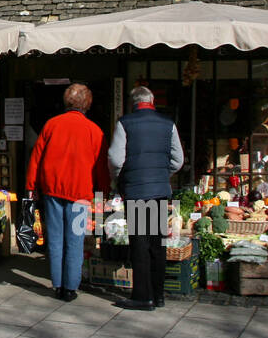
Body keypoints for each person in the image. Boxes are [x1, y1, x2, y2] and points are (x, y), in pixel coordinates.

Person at [26, 82, 105, 302]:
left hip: (52, 189)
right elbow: (100, 165)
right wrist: (103, 190)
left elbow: (36, 158)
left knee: (55, 237)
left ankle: (57, 283)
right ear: (87, 104)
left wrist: (32, 186)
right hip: (80, 193)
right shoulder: (94, 131)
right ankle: (70, 287)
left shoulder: (51, 125)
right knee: (75, 239)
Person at [108, 86, 184, 311]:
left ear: (133, 102)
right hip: (160, 190)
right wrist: (163, 173)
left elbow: (115, 158)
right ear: (152, 101)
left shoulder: (125, 123)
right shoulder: (168, 124)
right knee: (157, 245)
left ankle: (143, 296)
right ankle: (159, 294)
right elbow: (178, 160)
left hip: (138, 190)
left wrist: (118, 179)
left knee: (140, 244)